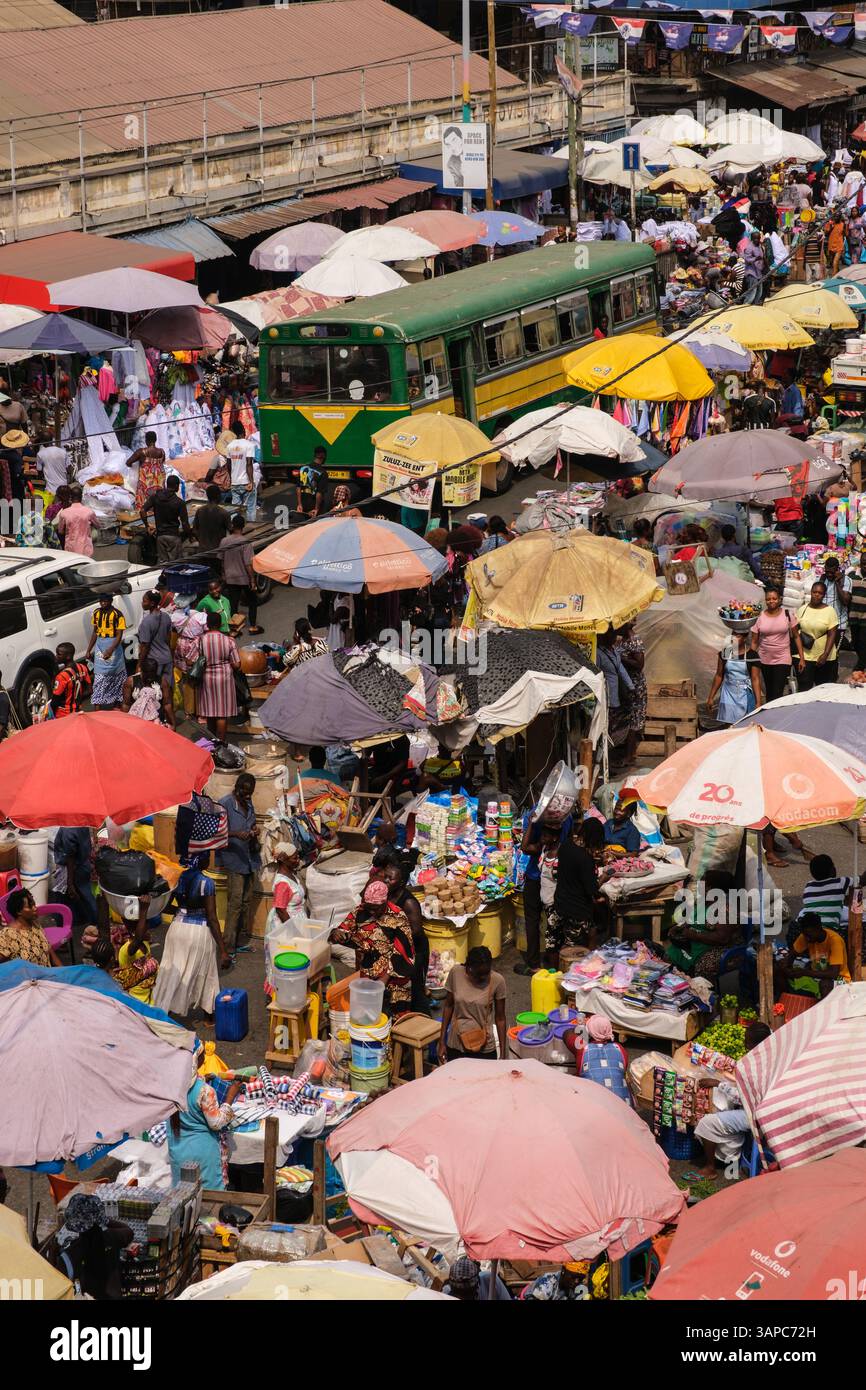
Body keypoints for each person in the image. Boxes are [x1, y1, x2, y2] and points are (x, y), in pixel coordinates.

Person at [153, 856, 230, 1022]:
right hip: (199, 931)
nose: (208, 858)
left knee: (173, 971)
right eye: (206, 855)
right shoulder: (206, 882)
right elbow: (212, 918)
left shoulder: (177, 878)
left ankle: (163, 1011)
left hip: (176, 929)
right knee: (207, 971)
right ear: (199, 861)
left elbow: (164, 905)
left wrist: (180, 910)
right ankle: (209, 1017)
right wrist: (223, 950)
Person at [694, 1021, 772, 1176]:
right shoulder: (769, 1056)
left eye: (747, 1041)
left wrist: (718, 1084)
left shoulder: (756, 1067)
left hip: (756, 1114)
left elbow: (743, 1099)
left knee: (706, 1123)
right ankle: (730, 1152)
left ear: (753, 1044)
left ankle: (710, 1168)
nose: (744, 1043)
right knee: (725, 1105)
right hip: (765, 1107)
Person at [329, 878, 415, 1016]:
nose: (372, 912)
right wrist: (336, 933)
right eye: (369, 908)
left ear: (385, 902)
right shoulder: (360, 912)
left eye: (376, 909)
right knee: (368, 1015)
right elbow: (345, 929)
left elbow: (403, 950)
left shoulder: (398, 916)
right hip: (368, 972)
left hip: (394, 976)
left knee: (396, 1017)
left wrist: (384, 979)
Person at [168, 1048, 244, 1190]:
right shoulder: (204, 1091)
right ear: (197, 1060)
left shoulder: (169, 1086)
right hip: (203, 1155)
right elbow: (217, 1123)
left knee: (182, 1195)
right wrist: (230, 1097)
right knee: (208, 1199)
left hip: (178, 1151)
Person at [516, 809, 573, 976]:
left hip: (538, 878)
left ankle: (539, 964)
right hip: (551, 880)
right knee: (553, 923)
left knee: (540, 922)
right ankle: (551, 963)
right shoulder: (566, 813)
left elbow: (525, 848)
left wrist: (533, 824)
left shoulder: (534, 814)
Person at [379, 852, 429, 1015]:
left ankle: (422, 1019)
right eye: (385, 877)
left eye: (390, 879)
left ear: (401, 882)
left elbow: (416, 931)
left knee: (415, 987)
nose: (386, 881)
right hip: (395, 947)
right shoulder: (386, 894)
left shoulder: (409, 903)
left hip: (414, 950)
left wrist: (396, 941)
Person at [438, 945, 507, 1062]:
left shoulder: (498, 981)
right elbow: (448, 1006)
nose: (484, 977)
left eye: (486, 973)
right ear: (469, 967)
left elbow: (500, 1018)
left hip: (484, 1047)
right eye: (479, 974)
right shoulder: (456, 973)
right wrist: (442, 1041)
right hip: (456, 1044)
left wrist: (503, 1054)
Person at [666, 869, 738, 978]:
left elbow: (722, 938)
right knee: (670, 955)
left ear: (711, 888)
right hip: (696, 942)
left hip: (716, 948)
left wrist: (693, 935)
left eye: (702, 882)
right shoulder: (702, 902)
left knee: (701, 967)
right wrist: (679, 927)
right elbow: (692, 920)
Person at [217, 772, 260, 955]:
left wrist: (254, 830)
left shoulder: (248, 804)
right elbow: (215, 833)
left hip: (249, 859)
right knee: (234, 904)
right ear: (237, 787)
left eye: (251, 792)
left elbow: (252, 823)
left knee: (245, 902)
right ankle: (228, 946)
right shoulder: (225, 804)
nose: (248, 795)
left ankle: (239, 941)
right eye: (245, 791)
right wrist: (235, 834)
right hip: (234, 860)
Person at [546, 819, 599, 955]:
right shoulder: (585, 858)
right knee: (571, 948)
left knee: (554, 943)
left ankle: (552, 972)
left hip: (559, 903)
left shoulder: (566, 845)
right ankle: (567, 974)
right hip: (577, 909)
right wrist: (604, 878)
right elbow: (591, 889)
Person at [750, 585, 802, 705]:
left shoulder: (788, 614)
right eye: (768, 599)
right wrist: (751, 661)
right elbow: (754, 641)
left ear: (779, 599)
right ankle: (769, 716)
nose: (771, 601)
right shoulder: (759, 617)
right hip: (764, 659)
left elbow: (796, 637)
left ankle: (775, 717)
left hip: (782, 658)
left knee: (777, 692)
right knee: (769, 691)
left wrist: (801, 658)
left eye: (774, 598)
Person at [779, 910, 851, 997]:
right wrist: (788, 968)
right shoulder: (805, 936)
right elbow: (792, 955)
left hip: (839, 979)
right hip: (815, 977)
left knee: (825, 984)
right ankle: (787, 999)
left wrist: (804, 972)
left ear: (819, 928)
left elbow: (833, 974)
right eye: (805, 935)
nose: (807, 938)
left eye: (809, 935)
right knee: (778, 969)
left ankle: (825, 1009)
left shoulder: (835, 941)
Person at [198, 608, 241, 741]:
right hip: (225, 678)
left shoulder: (201, 640)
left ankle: (212, 741)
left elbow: (195, 660)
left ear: (207, 624)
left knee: (211, 712)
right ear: (221, 623)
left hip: (208, 677)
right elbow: (237, 664)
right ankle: (221, 743)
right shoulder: (229, 640)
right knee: (222, 714)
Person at [572, 1013, 631, 1105]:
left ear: (589, 1032)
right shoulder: (620, 1048)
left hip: (596, 1108)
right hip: (625, 1107)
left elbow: (566, 1035)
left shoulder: (583, 1049)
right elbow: (621, 1071)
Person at [219, 514, 263, 634]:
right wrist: (253, 580)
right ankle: (253, 626)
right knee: (252, 601)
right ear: (243, 527)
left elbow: (221, 560)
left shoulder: (224, 541)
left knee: (234, 603)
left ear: (232, 526)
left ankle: (235, 629)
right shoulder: (245, 542)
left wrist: (224, 575)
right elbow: (248, 564)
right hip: (244, 578)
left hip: (230, 578)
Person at [706, 631, 762, 724]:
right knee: (728, 724)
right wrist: (711, 697)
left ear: (745, 638)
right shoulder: (725, 653)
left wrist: (758, 702)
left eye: (738, 636)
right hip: (728, 694)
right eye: (733, 635)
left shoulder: (752, 655)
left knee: (745, 724)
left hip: (745, 695)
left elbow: (755, 679)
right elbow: (719, 675)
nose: (734, 638)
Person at [85, 592, 127, 709]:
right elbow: (95, 632)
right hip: (100, 645)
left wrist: (111, 649)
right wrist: (89, 650)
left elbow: (119, 635)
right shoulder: (96, 613)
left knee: (117, 676)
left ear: (110, 601)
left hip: (113, 647)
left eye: (105, 601)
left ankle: (117, 702)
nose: (103, 603)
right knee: (99, 677)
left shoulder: (118, 615)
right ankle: (97, 706)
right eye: (101, 601)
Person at [141, 474, 192, 566]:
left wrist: (147, 526)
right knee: (176, 565)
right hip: (173, 536)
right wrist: (190, 535)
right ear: (176, 486)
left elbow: (142, 510)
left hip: (160, 537)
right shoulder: (179, 503)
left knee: (163, 565)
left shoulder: (155, 497)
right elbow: (184, 523)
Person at [796, 579, 839, 690]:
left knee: (823, 689)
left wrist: (825, 654)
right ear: (811, 592)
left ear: (824, 595)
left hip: (824, 657)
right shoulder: (802, 609)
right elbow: (796, 632)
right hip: (805, 656)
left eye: (820, 593)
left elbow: (832, 634)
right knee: (804, 688)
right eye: (815, 592)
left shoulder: (830, 611)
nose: (816, 595)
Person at [0, 888, 60, 965]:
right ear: (19, 911)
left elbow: (50, 951)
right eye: (30, 906)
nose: (35, 908)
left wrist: (63, 972)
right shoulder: (7, 936)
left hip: (48, 975)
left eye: (34, 904)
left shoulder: (34, 924)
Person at [53, 825, 98, 925]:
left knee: (83, 896)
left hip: (73, 868)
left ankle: (97, 923)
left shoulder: (68, 829)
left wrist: (70, 883)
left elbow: (70, 857)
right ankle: (80, 920)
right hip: (82, 864)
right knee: (83, 894)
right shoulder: (81, 823)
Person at [618, 621, 647, 764]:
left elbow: (640, 664)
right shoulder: (623, 640)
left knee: (632, 721)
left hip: (635, 687)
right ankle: (629, 754)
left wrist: (621, 658)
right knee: (628, 719)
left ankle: (629, 756)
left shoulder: (634, 640)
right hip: (627, 686)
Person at [801, 854, 853, 933]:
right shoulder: (840, 882)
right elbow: (862, 880)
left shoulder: (808, 886)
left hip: (806, 930)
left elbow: (824, 899)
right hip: (828, 932)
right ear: (832, 870)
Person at [122, 657, 174, 726]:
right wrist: (124, 722)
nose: (150, 677)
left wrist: (173, 724)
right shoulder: (131, 681)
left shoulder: (162, 682)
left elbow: (167, 704)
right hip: (135, 719)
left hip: (156, 721)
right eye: (147, 673)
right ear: (141, 670)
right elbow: (126, 704)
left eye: (153, 673)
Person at [267, 842, 306, 932]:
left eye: (298, 857)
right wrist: (293, 931)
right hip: (287, 925)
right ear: (283, 859)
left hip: (296, 920)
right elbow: (281, 910)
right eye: (294, 858)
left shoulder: (291, 875)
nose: (298, 860)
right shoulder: (282, 882)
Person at [137, 589, 174, 685]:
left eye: (145, 601)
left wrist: (139, 664)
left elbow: (145, 646)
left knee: (155, 691)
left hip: (154, 663)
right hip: (167, 658)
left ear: (152, 603)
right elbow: (168, 639)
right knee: (168, 688)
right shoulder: (166, 616)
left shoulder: (146, 622)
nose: (142, 603)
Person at [443, 1255, 512, 1301]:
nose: (463, 1297)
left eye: (468, 1294)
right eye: (460, 1295)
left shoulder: (490, 1281)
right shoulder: (447, 1293)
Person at [50, 642, 92, 718]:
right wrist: (76, 700)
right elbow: (90, 690)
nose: (56, 656)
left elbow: (55, 701)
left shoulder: (62, 676)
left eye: (59, 654)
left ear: (68, 656)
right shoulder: (83, 668)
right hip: (78, 710)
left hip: (63, 714)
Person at [226, 421, 256, 519]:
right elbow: (249, 464)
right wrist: (251, 481)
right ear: (243, 430)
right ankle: (251, 529)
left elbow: (229, 465)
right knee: (250, 509)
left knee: (235, 510)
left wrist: (231, 479)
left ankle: (234, 529)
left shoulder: (229, 446)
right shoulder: (249, 445)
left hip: (235, 483)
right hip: (246, 482)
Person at [56, 485, 97, 557]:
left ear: (71, 497)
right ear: (81, 497)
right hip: (86, 548)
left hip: (71, 548)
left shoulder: (64, 513)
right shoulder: (89, 511)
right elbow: (98, 525)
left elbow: (60, 531)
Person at [129, 432, 166, 511]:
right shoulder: (162, 452)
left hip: (146, 481)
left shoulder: (141, 452)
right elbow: (162, 462)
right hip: (158, 481)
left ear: (146, 440)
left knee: (143, 501)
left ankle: (143, 514)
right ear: (155, 440)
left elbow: (128, 462)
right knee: (158, 499)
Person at [193, 483, 231, 560]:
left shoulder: (200, 511)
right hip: (217, 553)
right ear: (218, 496)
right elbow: (231, 530)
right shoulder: (223, 513)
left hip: (202, 551)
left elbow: (194, 530)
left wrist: (201, 541)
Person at [845, 549, 866, 673]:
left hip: (865, 618)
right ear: (860, 563)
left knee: (863, 642)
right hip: (853, 616)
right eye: (864, 563)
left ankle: (860, 666)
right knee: (856, 642)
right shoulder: (852, 576)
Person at [36, 431, 71, 496]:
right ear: (52, 439)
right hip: (64, 489)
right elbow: (69, 470)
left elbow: (39, 473)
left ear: (42, 441)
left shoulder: (40, 454)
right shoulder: (62, 451)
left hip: (50, 491)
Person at [295, 447, 326, 518]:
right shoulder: (322, 472)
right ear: (323, 455)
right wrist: (316, 509)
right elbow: (319, 493)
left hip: (303, 504)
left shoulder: (302, 468)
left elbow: (298, 487)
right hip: (313, 505)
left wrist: (299, 504)